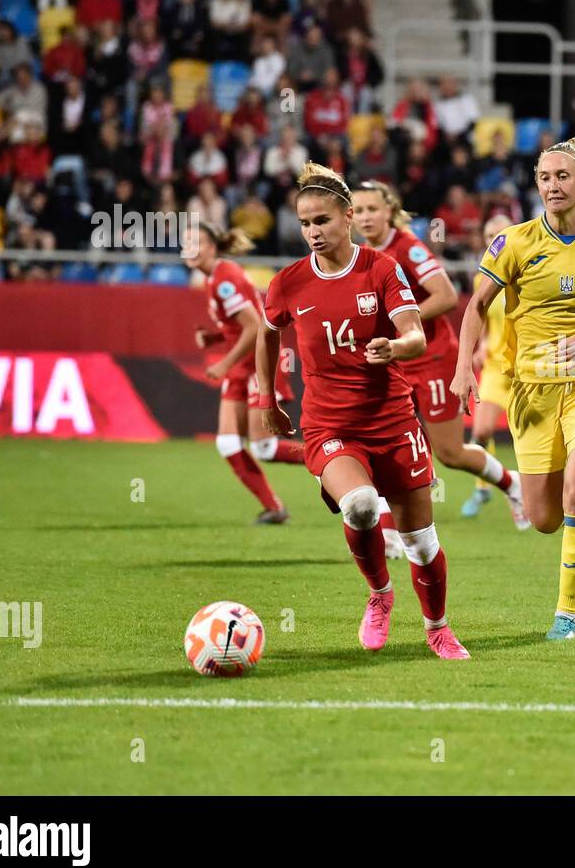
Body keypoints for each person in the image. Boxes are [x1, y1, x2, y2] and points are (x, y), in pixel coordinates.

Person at [256, 162, 471, 659]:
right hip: (330, 424)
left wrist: (397, 348)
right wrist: (269, 398)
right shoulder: (287, 283)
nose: (312, 232)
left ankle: (437, 627)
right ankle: (379, 595)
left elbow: (415, 332)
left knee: (421, 542)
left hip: (393, 420)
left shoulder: (380, 266)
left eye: (322, 221)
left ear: (348, 217)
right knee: (360, 505)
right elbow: (268, 336)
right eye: (305, 223)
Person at [450, 138, 575, 640]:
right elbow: (475, 305)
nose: (553, 186)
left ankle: (567, 616)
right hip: (531, 390)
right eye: (545, 177)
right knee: (544, 519)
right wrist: (465, 366)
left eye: (563, 176)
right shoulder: (512, 242)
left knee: (573, 494)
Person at [350, 182, 529, 531]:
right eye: (359, 211)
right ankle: (388, 532)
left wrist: (398, 320)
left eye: (373, 209)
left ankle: (512, 483)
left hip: (432, 358)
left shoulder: (409, 247)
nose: (367, 217)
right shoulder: (363, 254)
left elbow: (446, 296)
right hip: (394, 361)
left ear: (389, 211)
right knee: (384, 442)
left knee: (450, 453)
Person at [181, 221, 301, 524]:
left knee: (264, 446)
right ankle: (274, 508)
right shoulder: (214, 279)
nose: (189, 249)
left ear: (212, 247)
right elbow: (241, 326)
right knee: (228, 442)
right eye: (185, 243)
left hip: (257, 365)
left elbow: (254, 326)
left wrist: (223, 362)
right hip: (242, 366)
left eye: (196, 242)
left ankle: (337, 459)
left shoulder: (225, 279)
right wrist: (215, 338)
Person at [461, 215, 519, 519]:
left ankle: (525, 492)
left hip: (527, 368)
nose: (494, 239)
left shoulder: (527, 271)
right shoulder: (481, 278)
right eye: (489, 234)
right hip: (497, 366)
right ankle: (483, 487)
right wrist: (481, 343)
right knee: (481, 431)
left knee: (528, 437)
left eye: (501, 234)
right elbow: (482, 315)